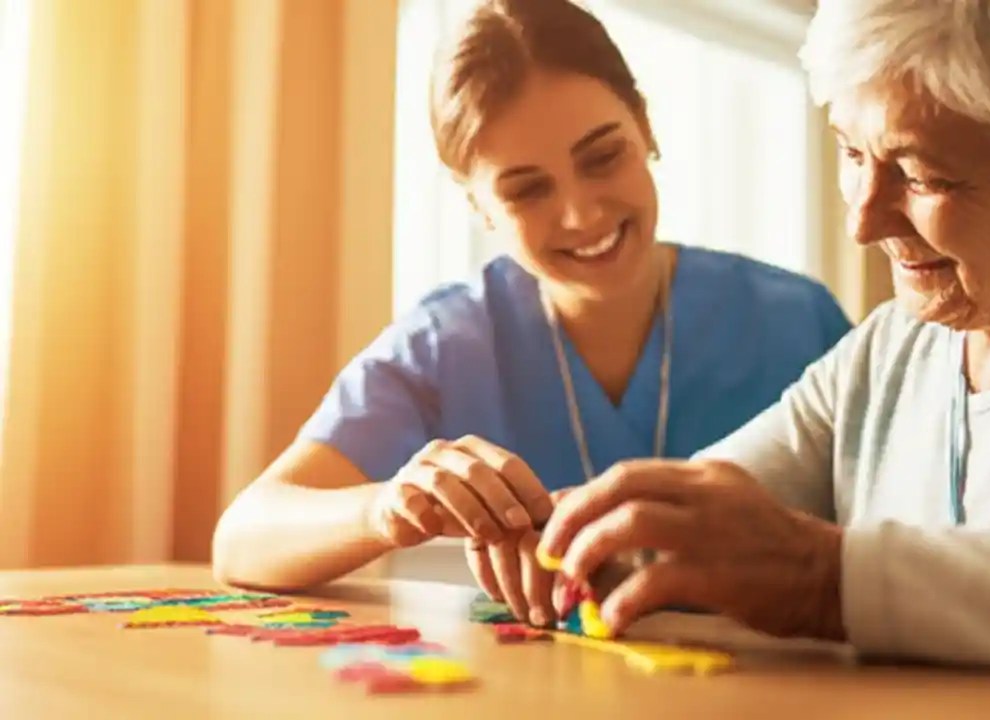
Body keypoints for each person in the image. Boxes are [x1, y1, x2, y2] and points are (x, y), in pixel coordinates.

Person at [535, 0, 990, 678]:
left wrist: (832, 582)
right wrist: (558, 537)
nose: (864, 221)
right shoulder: (887, 352)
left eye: (925, 177)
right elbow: (691, 535)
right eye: (852, 154)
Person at [210, 0, 852, 625]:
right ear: (479, 207)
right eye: (526, 190)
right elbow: (243, 538)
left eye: (603, 157)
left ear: (646, 127)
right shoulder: (447, 345)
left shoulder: (797, 320)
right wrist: (386, 508)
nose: (581, 214)